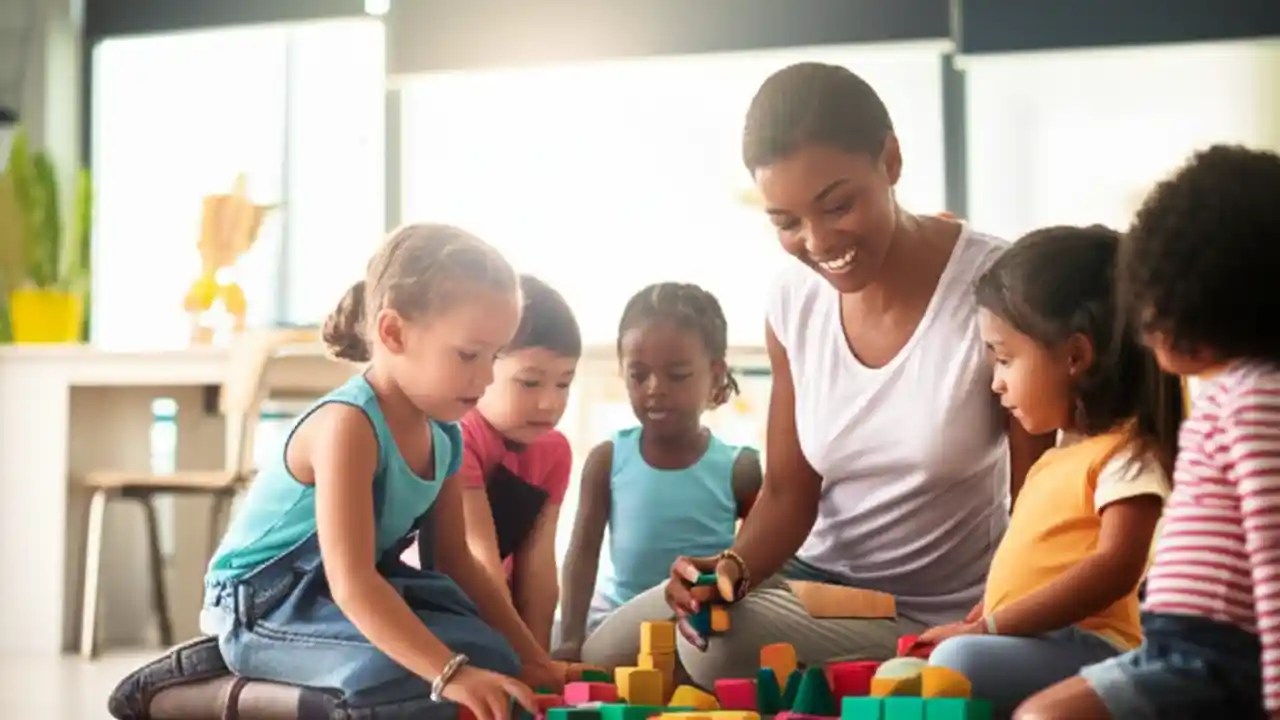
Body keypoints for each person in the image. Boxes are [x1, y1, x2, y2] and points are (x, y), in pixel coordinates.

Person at [580, 62, 1053, 684]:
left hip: (927, 605)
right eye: (786, 221)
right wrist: (729, 571)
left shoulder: (996, 290)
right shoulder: (792, 301)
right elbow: (786, 495)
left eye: (837, 205)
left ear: (890, 161)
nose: (818, 240)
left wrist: (997, 619)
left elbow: (1037, 495)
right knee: (609, 650)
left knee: (716, 651)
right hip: (811, 583)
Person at [144, 224, 574, 720]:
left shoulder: (445, 435)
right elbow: (352, 582)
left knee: (492, 659)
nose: (484, 378)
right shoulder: (348, 426)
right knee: (406, 678)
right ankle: (202, 694)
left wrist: (531, 659)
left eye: (494, 357)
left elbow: (456, 562)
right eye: (467, 355)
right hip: (264, 601)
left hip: (351, 587)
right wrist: (449, 672)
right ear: (393, 333)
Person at [1017, 146, 1280, 719]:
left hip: (1218, 656)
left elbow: (1273, 541)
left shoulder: (1255, 396)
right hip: (1179, 645)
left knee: (1046, 717)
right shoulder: (1236, 392)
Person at [918, 225, 1180, 718]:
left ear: (1075, 356)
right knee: (919, 666)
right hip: (1041, 645)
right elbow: (1028, 573)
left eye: (1004, 358)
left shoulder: (1126, 455)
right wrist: (983, 617)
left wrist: (985, 632)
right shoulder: (1057, 457)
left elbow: (1115, 568)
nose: (995, 382)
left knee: (959, 660)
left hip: (1099, 650)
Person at [556, 282, 762, 660]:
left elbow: (761, 561)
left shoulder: (740, 469)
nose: (655, 389)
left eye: (678, 375)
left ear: (715, 374)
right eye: (639, 375)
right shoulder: (608, 459)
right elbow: (582, 553)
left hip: (701, 621)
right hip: (618, 622)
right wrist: (570, 639)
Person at [445, 275, 581, 651]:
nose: (550, 403)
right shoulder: (458, 433)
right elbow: (479, 558)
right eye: (529, 383)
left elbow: (538, 565)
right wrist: (519, 657)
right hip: (435, 602)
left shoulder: (553, 451)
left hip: (497, 610)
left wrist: (537, 658)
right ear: (483, 367)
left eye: (564, 383)